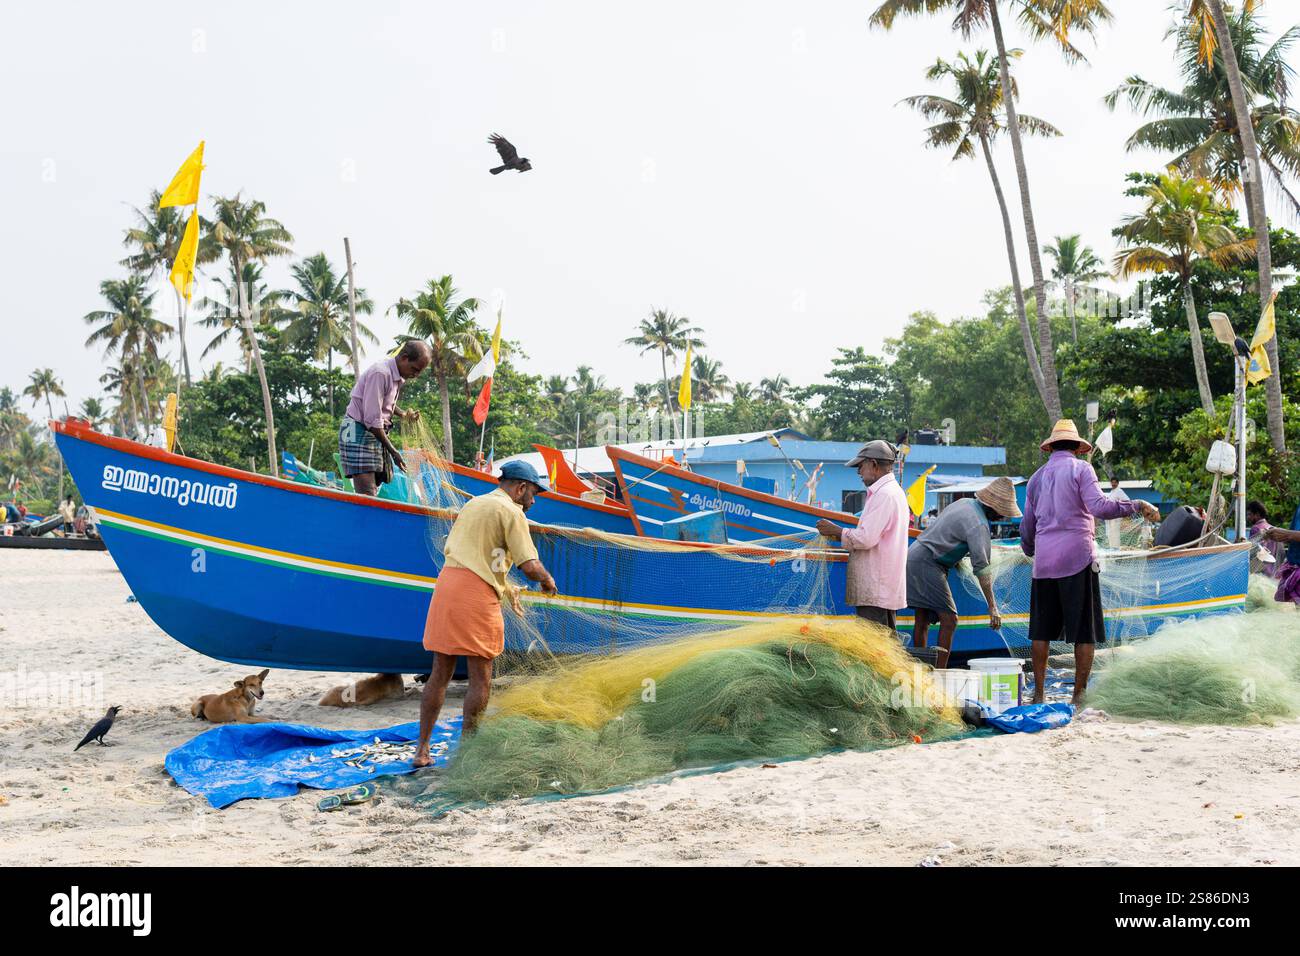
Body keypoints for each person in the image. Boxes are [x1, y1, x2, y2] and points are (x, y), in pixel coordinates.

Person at [414, 460, 558, 766]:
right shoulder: (512, 512)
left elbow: (482, 553)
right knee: (481, 676)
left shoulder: (474, 504)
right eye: (533, 493)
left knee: (440, 672)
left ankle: (422, 751)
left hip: (446, 586)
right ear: (520, 488)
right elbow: (529, 566)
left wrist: (507, 586)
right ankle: (468, 751)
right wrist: (547, 580)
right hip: (475, 595)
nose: (533, 501)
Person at [1021, 420, 1159, 707]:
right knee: (1084, 630)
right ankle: (1078, 694)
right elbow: (1099, 507)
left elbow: (1027, 527)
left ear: (1051, 447)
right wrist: (1135, 505)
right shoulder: (1082, 469)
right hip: (1077, 559)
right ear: (1076, 447)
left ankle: (1038, 693)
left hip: (1044, 564)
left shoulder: (1035, 479)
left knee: (1041, 630)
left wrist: (1033, 549)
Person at [908, 477, 1021, 668]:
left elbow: (949, 536)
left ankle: (921, 670)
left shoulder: (964, 503)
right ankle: (940, 673)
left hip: (914, 554)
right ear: (994, 508)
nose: (1002, 518)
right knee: (950, 620)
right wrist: (992, 607)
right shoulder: (979, 524)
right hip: (928, 563)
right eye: (1002, 513)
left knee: (922, 619)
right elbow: (982, 568)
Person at [816, 440, 909, 630]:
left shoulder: (885, 494)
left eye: (860, 466)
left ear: (873, 464)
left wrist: (838, 531)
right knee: (884, 648)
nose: (858, 472)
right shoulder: (890, 492)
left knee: (876, 651)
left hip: (877, 590)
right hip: (881, 589)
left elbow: (867, 538)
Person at [338, 340, 432, 496]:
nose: (415, 375)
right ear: (404, 358)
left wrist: (402, 414)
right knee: (367, 492)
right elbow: (373, 421)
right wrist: (394, 452)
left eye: (419, 373)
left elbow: (382, 402)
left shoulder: (396, 376)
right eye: (414, 369)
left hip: (372, 432)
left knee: (377, 483)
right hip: (356, 431)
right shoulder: (380, 373)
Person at [1263, 502, 1300, 604]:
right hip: (1294, 566)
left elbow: (1291, 535)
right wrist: (1278, 535)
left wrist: (1287, 534)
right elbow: (1293, 535)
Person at [1247, 500, 1284, 579]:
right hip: (1273, 572)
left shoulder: (1256, 528)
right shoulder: (1272, 528)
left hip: (1259, 573)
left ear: (1257, 515)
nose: (1248, 518)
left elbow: (1252, 552)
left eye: (1250, 514)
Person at [1103, 475, 1130, 549]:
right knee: (1110, 534)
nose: (1113, 484)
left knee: (1115, 534)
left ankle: (1116, 550)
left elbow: (1127, 500)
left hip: (1116, 516)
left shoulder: (1119, 491)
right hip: (1109, 516)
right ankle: (1112, 549)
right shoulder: (1112, 491)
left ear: (1118, 483)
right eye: (1112, 483)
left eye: (1115, 483)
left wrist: (1119, 508)